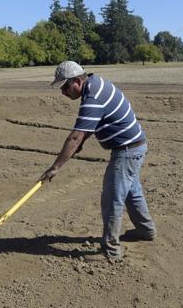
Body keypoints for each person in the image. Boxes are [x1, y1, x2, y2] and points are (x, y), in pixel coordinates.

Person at [40, 61, 156, 262]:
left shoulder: (92, 96)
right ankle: (146, 231)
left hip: (127, 150)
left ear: (77, 80)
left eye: (65, 87)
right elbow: (88, 129)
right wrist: (80, 144)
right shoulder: (95, 84)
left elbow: (75, 136)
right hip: (134, 146)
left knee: (112, 198)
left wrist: (55, 167)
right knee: (131, 192)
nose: (63, 93)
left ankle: (111, 251)